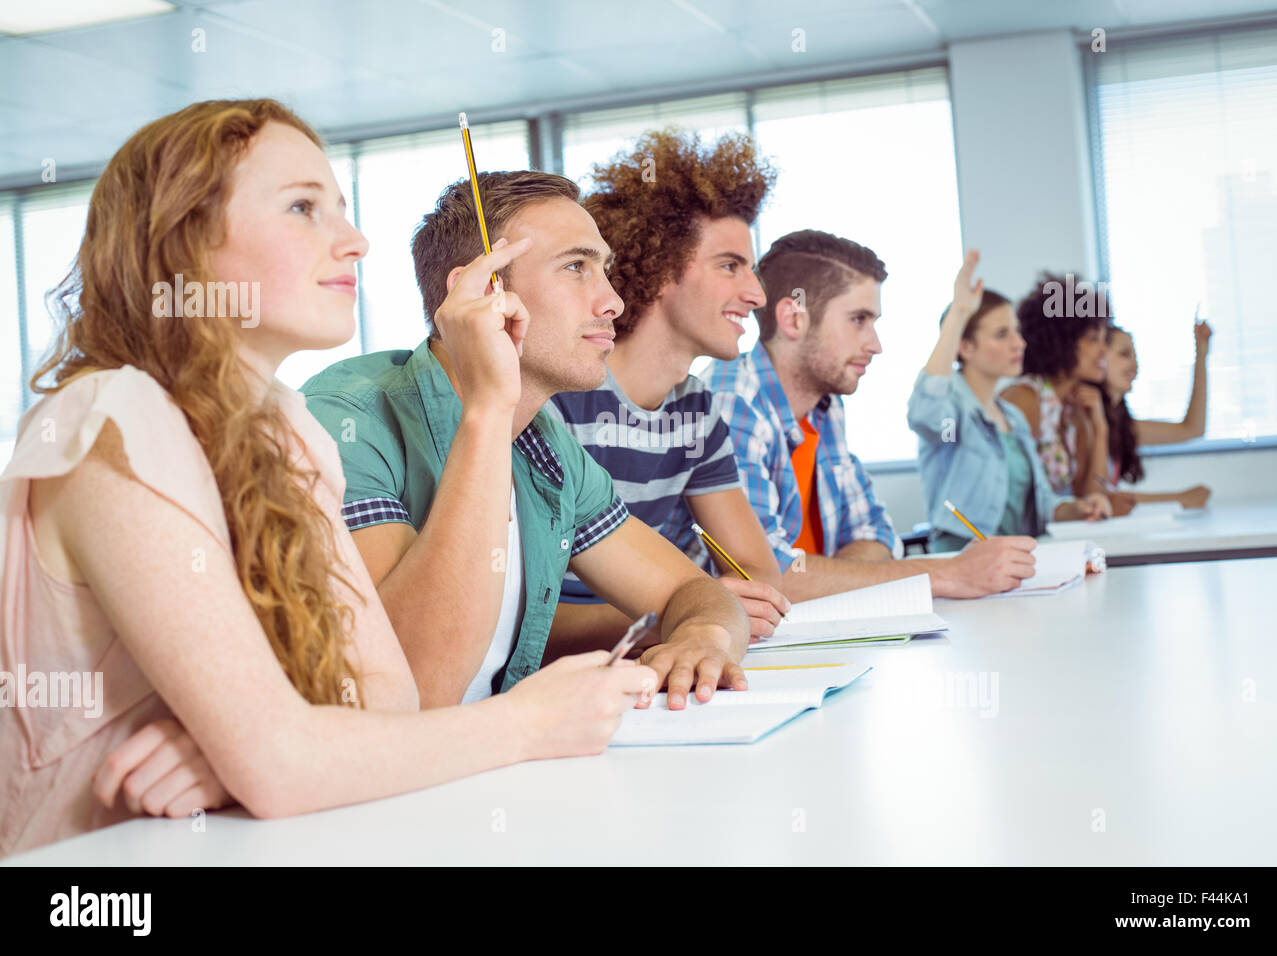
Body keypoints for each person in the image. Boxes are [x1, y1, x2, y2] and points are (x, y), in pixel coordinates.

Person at [0, 100, 656, 857]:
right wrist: (529, 724)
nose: (354, 241)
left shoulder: (289, 432)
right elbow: (285, 761)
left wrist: (266, 750)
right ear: (184, 244)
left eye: (339, 208)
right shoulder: (111, 422)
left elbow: (387, 700)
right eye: (303, 208)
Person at [301, 170, 750, 713]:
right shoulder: (350, 424)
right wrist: (488, 410)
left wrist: (703, 639)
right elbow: (412, 693)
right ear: (481, 290)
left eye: (603, 270)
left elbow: (694, 592)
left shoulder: (545, 446)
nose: (613, 302)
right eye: (576, 267)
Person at [544, 129, 790, 653]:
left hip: (658, 659)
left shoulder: (695, 407)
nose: (757, 294)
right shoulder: (558, 397)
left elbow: (754, 571)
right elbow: (523, 613)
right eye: (730, 266)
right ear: (659, 268)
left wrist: (699, 610)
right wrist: (682, 613)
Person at [702, 229, 1039, 601]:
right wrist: (944, 572)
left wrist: (831, 578)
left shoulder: (826, 408)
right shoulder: (735, 403)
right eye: (859, 320)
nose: (875, 345)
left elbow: (877, 534)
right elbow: (767, 577)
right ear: (794, 318)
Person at [909, 252, 1112, 551]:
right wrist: (958, 314)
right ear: (964, 347)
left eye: (1016, 331)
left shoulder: (1013, 419)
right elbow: (926, 412)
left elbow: (1043, 505)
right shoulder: (952, 419)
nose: (1019, 343)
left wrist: (1078, 509)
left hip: (1015, 568)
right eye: (1002, 334)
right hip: (962, 566)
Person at [1001, 273, 1133, 513]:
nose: (1104, 351)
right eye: (1094, 340)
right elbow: (1008, 497)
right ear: (1062, 342)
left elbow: (1093, 497)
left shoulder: (1074, 408)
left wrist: (1100, 430)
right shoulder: (1024, 399)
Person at [1101, 320, 1212, 508]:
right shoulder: (1084, 421)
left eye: (1135, 356)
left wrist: (1200, 355)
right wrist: (1179, 498)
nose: (1135, 365)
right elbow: (1100, 497)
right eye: (1124, 354)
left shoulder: (1120, 426)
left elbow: (1192, 429)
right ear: (1098, 358)